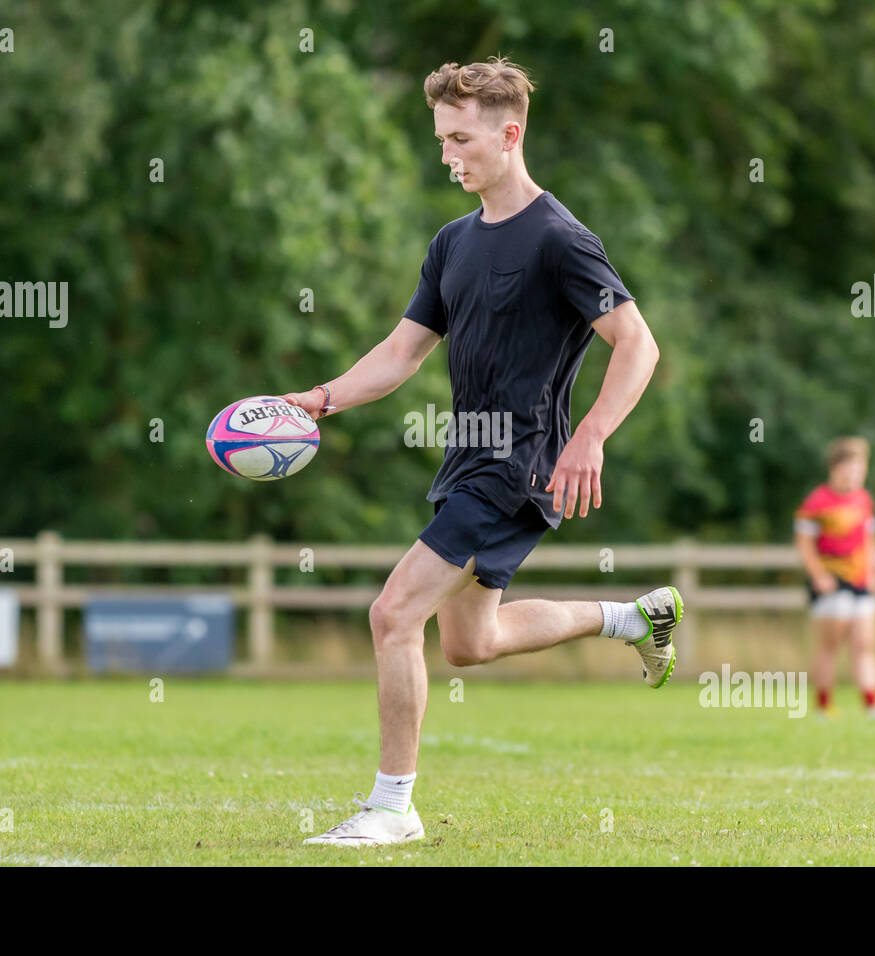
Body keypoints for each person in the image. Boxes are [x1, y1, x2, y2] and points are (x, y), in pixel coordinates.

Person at [279, 57, 681, 848]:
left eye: (460, 137)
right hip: (467, 460)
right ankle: (634, 618)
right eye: (440, 139)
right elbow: (401, 353)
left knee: (392, 614)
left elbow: (637, 344)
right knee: (470, 643)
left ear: (510, 133)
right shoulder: (453, 242)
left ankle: (393, 807)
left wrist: (591, 434)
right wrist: (320, 399)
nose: (447, 154)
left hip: (519, 463)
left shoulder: (561, 240)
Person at [794, 437, 875, 720]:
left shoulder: (864, 500)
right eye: (851, 468)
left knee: (865, 645)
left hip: (860, 581)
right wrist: (819, 576)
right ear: (836, 468)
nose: (856, 475)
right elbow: (804, 544)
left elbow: (869, 541)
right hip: (831, 582)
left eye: (861, 469)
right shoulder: (817, 502)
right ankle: (823, 705)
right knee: (829, 647)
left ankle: (873, 704)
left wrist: (873, 573)